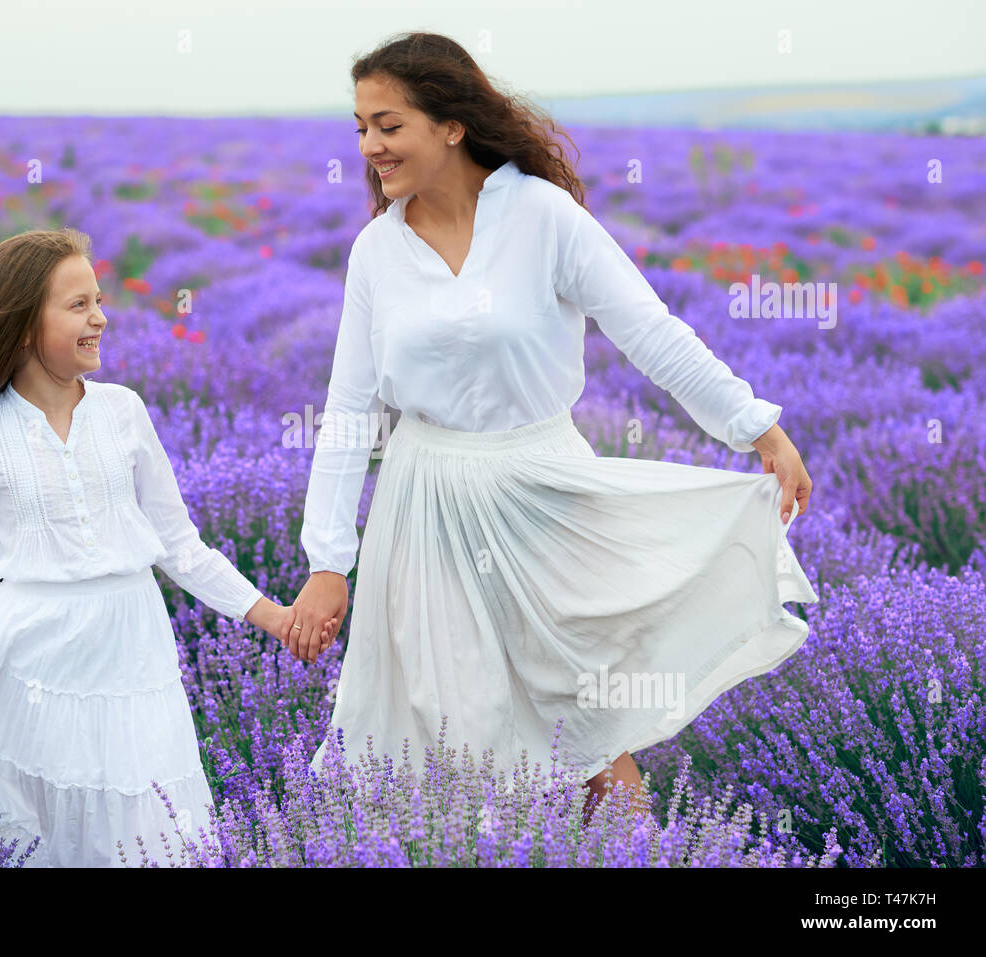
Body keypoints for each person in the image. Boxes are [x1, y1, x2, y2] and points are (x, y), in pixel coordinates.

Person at [288, 33, 819, 825]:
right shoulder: (377, 251)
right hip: (424, 506)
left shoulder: (543, 217)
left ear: (451, 125)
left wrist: (757, 428)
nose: (370, 146)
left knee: (585, 723)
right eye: (360, 128)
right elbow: (350, 409)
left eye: (388, 125)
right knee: (453, 734)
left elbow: (650, 331)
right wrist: (328, 560)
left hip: (543, 494)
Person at [0, 227, 336, 866]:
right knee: (54, 822)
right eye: (79, 305)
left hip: (130, 644)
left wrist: (273, 617)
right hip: (35, 652)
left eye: (99, 300)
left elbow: (180, 546)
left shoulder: (123, 412)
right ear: (26, 327)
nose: (100, 318)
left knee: (144, 817)